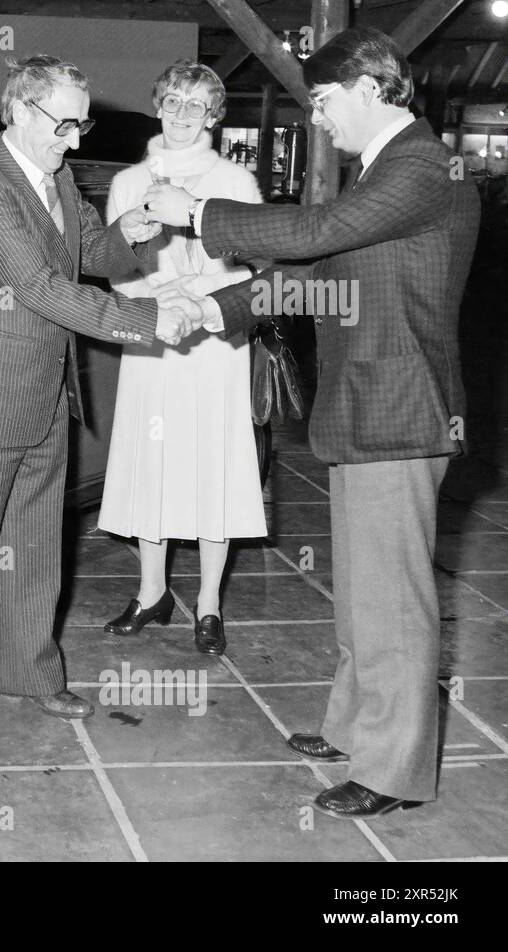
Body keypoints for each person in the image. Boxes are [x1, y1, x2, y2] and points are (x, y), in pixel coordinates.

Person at [144, 27, 479, 818]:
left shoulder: (422, 167)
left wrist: (198, 214)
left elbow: (316, 234)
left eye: (324, 102)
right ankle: (356, 728)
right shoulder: (386, 172)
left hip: (402, 410)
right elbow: (314, 278)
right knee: (365, 591)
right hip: (368, 407)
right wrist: (208, 307)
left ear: (371, 89)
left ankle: (393, 773)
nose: (319, 120)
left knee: (393, 600)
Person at [0, 54, 199, 742]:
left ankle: (31, 674)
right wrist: (147, 321)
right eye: (64, 125)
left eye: (80, 124)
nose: (75, 141)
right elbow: (40, 286)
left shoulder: (58, 178)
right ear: (19, 108)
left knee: (36, 549)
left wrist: (127, 235)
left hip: (45, 394)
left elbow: (87, 252)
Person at [98, 61, 268, 657]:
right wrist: (153, 295)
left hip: (215, 343)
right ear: (158, 104)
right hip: (153, 339)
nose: (181, 115)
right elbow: (112, 269)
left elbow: (254, 271)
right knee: (153, 463)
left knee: (211, 465)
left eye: (196, 105)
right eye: (171, 101)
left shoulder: (236, 183)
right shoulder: (128, 182)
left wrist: (201, 294)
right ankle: (151, 592)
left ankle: (210, 603)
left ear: (216, 116)